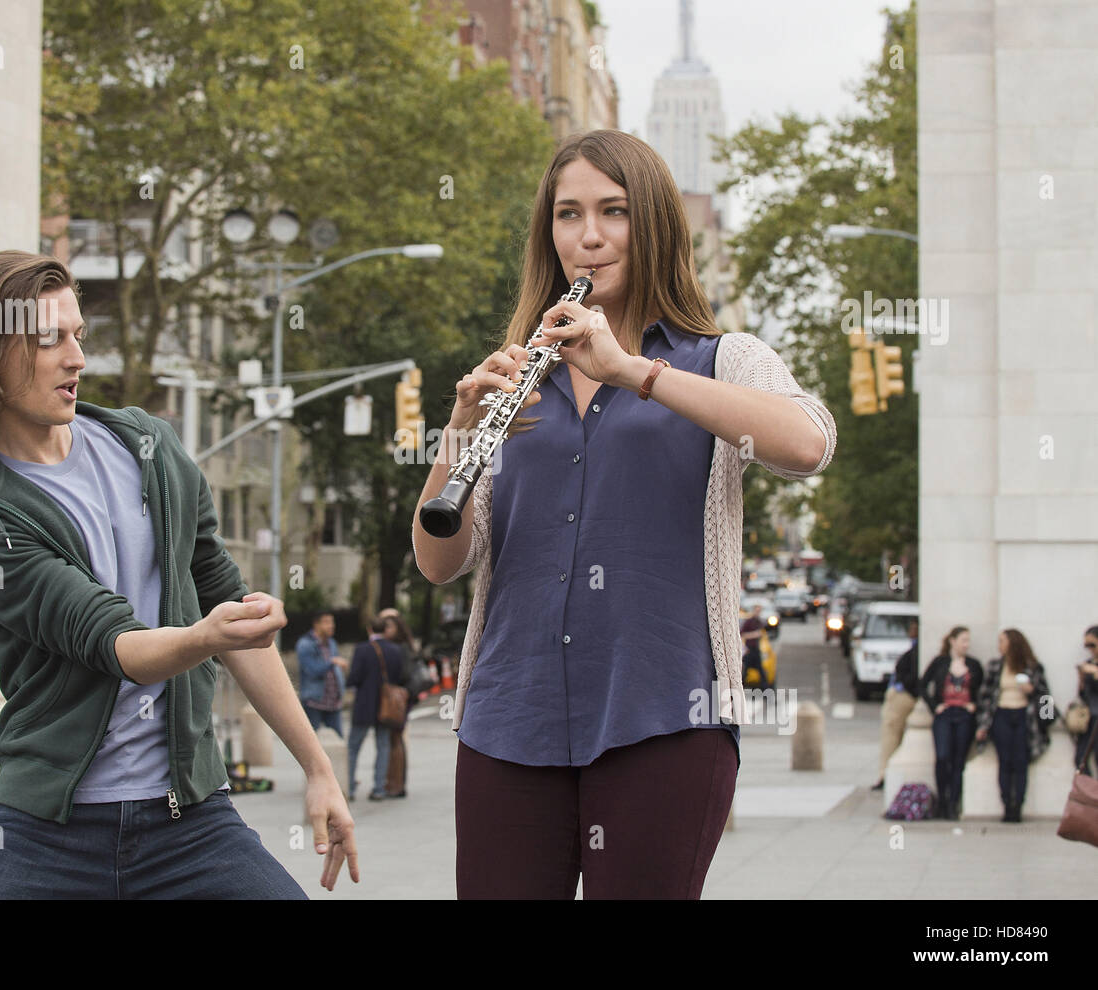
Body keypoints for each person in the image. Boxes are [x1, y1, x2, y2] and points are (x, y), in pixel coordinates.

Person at [411, 130, 836, 899]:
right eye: (568, 214)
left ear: (655, 227)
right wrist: (458, 429)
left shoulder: (720, 358)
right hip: (510, 718)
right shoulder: (515, 379)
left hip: (665, 717)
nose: (590, 236)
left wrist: (632, 371)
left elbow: (807, 445)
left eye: (614, 211)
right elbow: (441, 562)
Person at [0, 250, 357, 897]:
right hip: (47, 833)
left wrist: (318, 768)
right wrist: (208, 636)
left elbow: (227, 605)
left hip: (190, 820)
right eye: (51, 340)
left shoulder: (147, 447)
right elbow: (114, 644)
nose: (77, 358)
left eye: (79, 336)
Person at [974, 628, 1052, 822]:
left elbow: (1046, 700)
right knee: (1005, 761)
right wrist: (982, 725)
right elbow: (984, 698)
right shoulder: (995, 666)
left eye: (1002, 641)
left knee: (1020, 762)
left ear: (1013, 643)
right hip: (1001, 714)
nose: (999, 645)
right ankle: (1007, 804)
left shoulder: (1032, 667)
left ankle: (1018, 805)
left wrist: (1031, 691)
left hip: (1024, 716)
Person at [919, 626, 984, 821]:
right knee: (942, 756)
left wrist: (975, 706)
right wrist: (934, 706)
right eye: (963, 640)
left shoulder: (973, 664)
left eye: (968, 641)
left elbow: (984, 690)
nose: (967, 644)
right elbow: (922, 685)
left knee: (958, 761)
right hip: (944, 714)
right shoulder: (940, 662)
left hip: (964, 716)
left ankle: (953, 803)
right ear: (952, 641)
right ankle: (943, 799)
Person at [345, 615, 408, 801]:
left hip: (364, 705)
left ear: (370, 630)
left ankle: (349, 789)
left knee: (353, 747)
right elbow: (400, 676)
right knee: (383, 746)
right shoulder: (395, 650)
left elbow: (354, 677)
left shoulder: (362, 649)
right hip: (386, 706)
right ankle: (379, 788)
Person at [872, 619, 919, 790]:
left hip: (903, 694)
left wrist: (906, 686)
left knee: (891, 736)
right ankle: (887, 774)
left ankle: (886, 775)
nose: (910, 632)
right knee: (891, 736)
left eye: (914, 629)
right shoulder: (914, 649)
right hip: (903, 692)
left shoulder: (916, 650)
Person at [379, 608, 417, 798]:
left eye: (389, 625)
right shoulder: (400, 645)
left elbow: (404, 674)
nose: (385, 628)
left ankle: (395, 784)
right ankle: (394, 781)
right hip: (402, 696)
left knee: (395, 739)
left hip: (399, 697)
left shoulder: (400, 647)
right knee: (395, 738)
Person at [297, 610, 348, 737]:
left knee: (338, 739)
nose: (331, 625)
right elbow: (312, 671)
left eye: (332, 622)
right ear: (316, 624)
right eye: (327, 622)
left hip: (333, 701)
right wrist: (332, 662)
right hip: (314, 701)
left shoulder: (331, 643)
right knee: (310, 741)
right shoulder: (305, 644)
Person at [1075, 625, 1098, 777]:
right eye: (1086, 645)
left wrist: (1095, 673)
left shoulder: (1093, 667)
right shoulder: (1089, 662)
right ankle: (1091, 794)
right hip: (1090, 718)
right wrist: (1082, 679)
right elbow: (1083, 694)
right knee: (1080, 758)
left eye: (1092, 644)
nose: (1089, 649)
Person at [740, 604, 769, 690]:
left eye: (759, 611)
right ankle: (739, 690)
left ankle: (766, 692)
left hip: (756, 650)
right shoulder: (749, 621)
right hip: (749, 650)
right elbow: (742, 634)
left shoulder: (759, 622)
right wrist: (754, 635)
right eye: (756, 610)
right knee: (744, 673)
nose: (758, 612)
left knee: (762, 673)